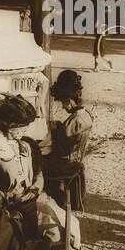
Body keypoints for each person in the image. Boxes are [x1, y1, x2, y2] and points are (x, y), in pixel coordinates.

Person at [0, 93, 81, 250]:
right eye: (20, 127)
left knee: (70, 223)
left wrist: (35, 188)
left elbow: (38, 174)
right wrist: (11, 196)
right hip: (16, 207)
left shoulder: (27, 145)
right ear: (9, 125)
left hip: (35, 197)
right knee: (54, 229)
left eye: (25, 127)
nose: (23, 131)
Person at [41, 69, 93, 212]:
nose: (63, 107)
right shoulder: (86, 115)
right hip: (75, 160)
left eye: (63, 103)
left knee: (37, 163)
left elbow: (60, 149)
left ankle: (52, 202)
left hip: (64, 164)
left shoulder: (73, 122)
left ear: (69, 101)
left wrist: (53, 133)